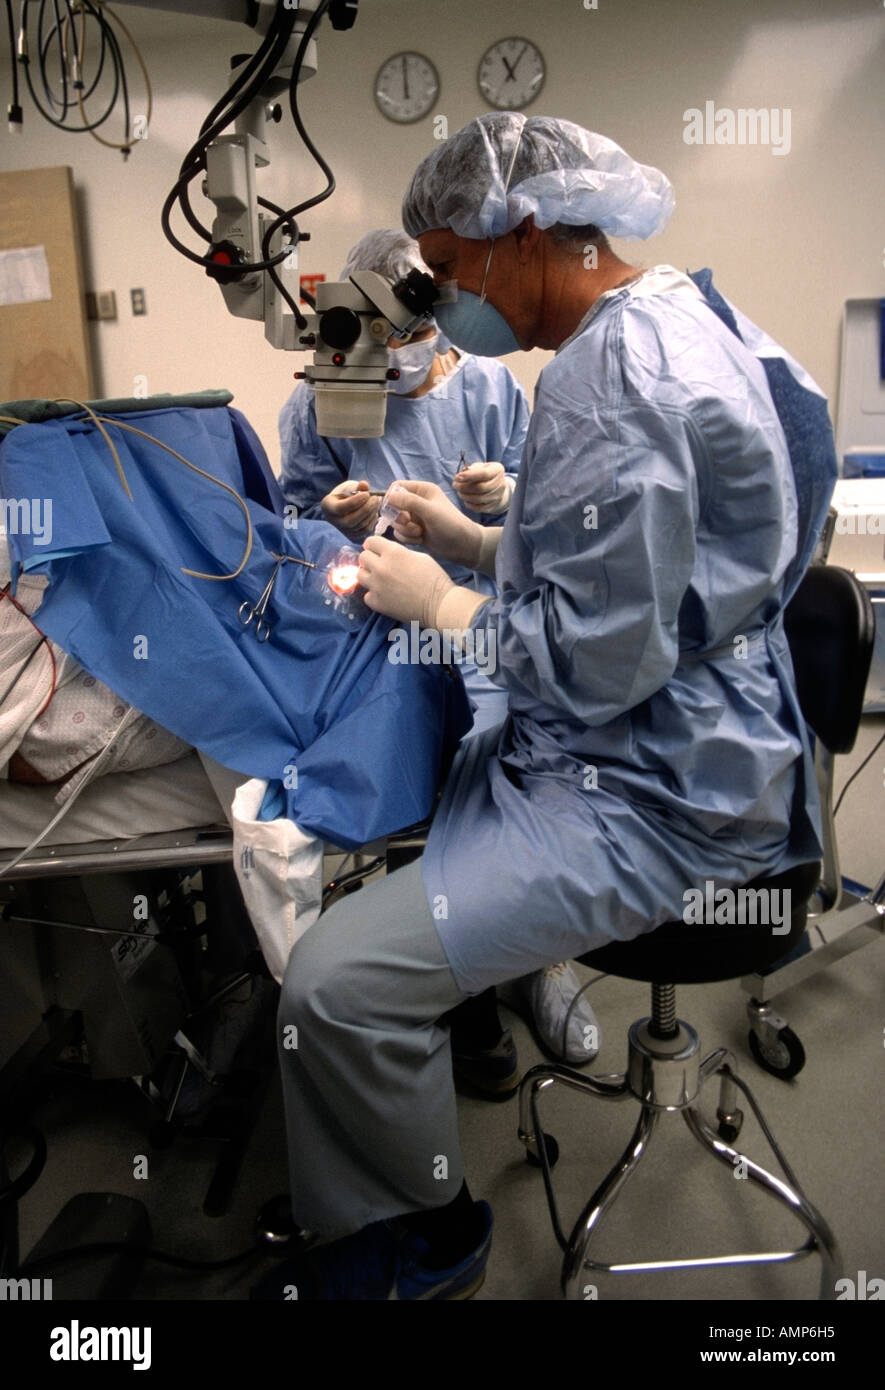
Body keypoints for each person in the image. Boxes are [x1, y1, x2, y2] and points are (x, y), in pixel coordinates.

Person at [255, 114, 835, 1300]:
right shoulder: (691, 315)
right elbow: (653, 562)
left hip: (653, 796)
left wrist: (446, 601)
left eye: (444, 272)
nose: (439, 306)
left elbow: (595, 655)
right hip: (680, 734)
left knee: (335, 981)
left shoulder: (611, 379)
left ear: (519, 231)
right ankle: (451, 1025)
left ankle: (424, 1239)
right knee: (408, 829)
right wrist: (479, 538)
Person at [279, 229, 601, 1075]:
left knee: (509, 784)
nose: (401, 362)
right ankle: (437, 982)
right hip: (374, 629)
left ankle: (541, 964)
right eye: (380, 347)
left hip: (480, 619)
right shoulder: (327, 394)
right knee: (406, 785)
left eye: (415, 339)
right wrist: (331, 524)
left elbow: (553, 517)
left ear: (435, 324)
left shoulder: (490, 385)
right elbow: (286, 524)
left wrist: (506, 496)